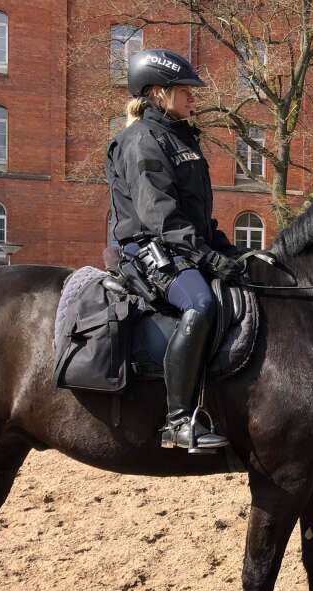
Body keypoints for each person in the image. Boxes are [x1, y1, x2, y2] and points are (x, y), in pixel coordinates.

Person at [106, 48, 244, 453]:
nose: (193, 98)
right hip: (149, 250)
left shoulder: (179, 137)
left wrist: (225, 250)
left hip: (181, 244)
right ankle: (178, 421)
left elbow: (194, 216)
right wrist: (206, 258)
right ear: (157, 93)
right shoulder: (140, 140)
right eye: (184, 90)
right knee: (200, 304)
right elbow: (159, 216)